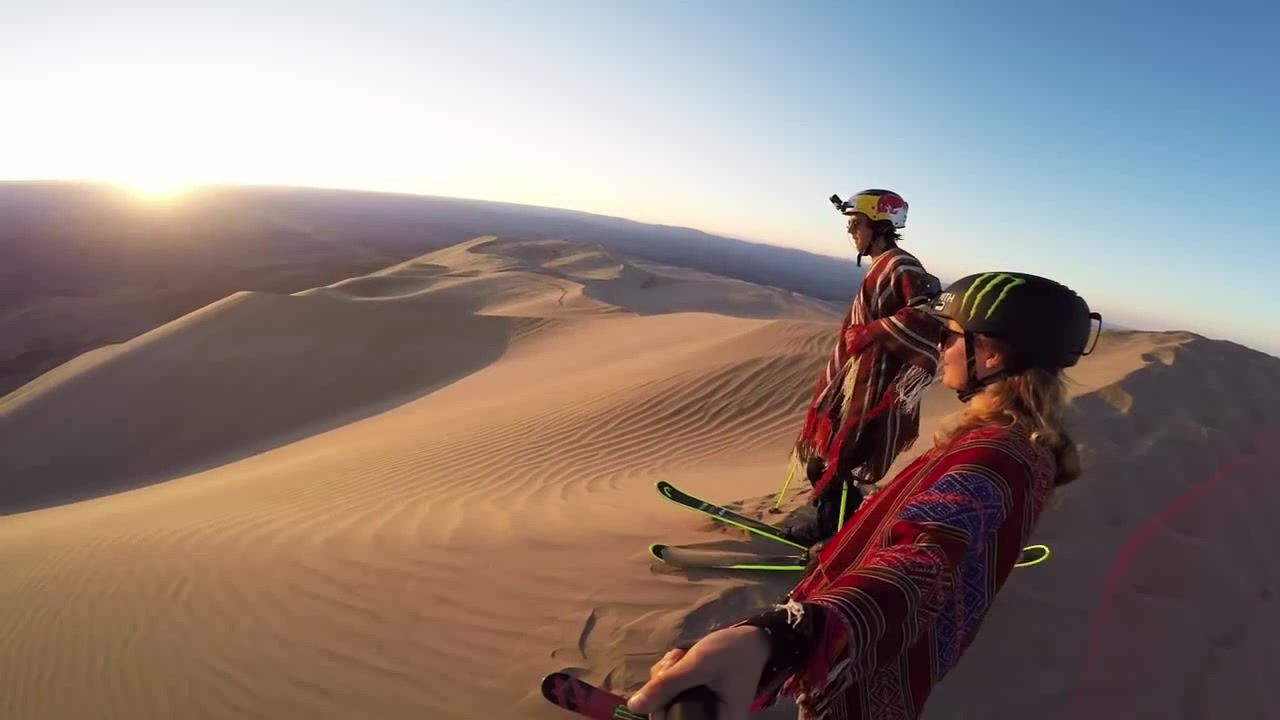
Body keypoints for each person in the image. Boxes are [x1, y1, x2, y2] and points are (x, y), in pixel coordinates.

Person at [628, 271, 1101, 720]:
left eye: (952, 335)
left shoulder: (997, 453)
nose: (942, 347)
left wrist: (785, 635)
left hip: (868, 673)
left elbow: (923, 558)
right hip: (891, 662)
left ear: (992, 356)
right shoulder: (1022, 442)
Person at [781, 188, 943, 550]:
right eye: (850, 223)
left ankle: (837, 535)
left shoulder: (901, 265)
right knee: (827, 462)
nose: (851, 231)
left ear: (880, 226)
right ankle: (840, 525)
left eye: (856, 223)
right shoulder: (886, 264)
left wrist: (871, 332)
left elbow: (927, 316)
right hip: (856, 379)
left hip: (875, 385)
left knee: (833, 463)